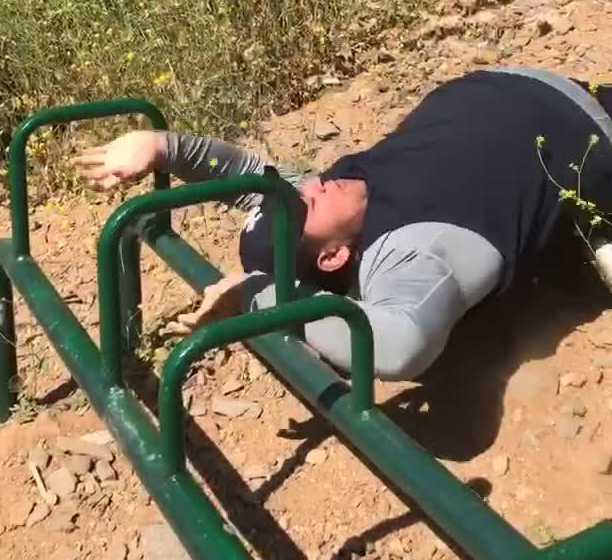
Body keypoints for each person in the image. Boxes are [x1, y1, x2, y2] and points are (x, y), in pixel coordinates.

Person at [73, 67, 612, 382]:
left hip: (533, 81)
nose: (308, 185)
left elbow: (244, 174)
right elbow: (398, 345)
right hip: (592, 128)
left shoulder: (332, 196)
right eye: (300, 205)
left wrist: (161, 147)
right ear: (333, 257)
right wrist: (259, 298)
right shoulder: (408, 253)